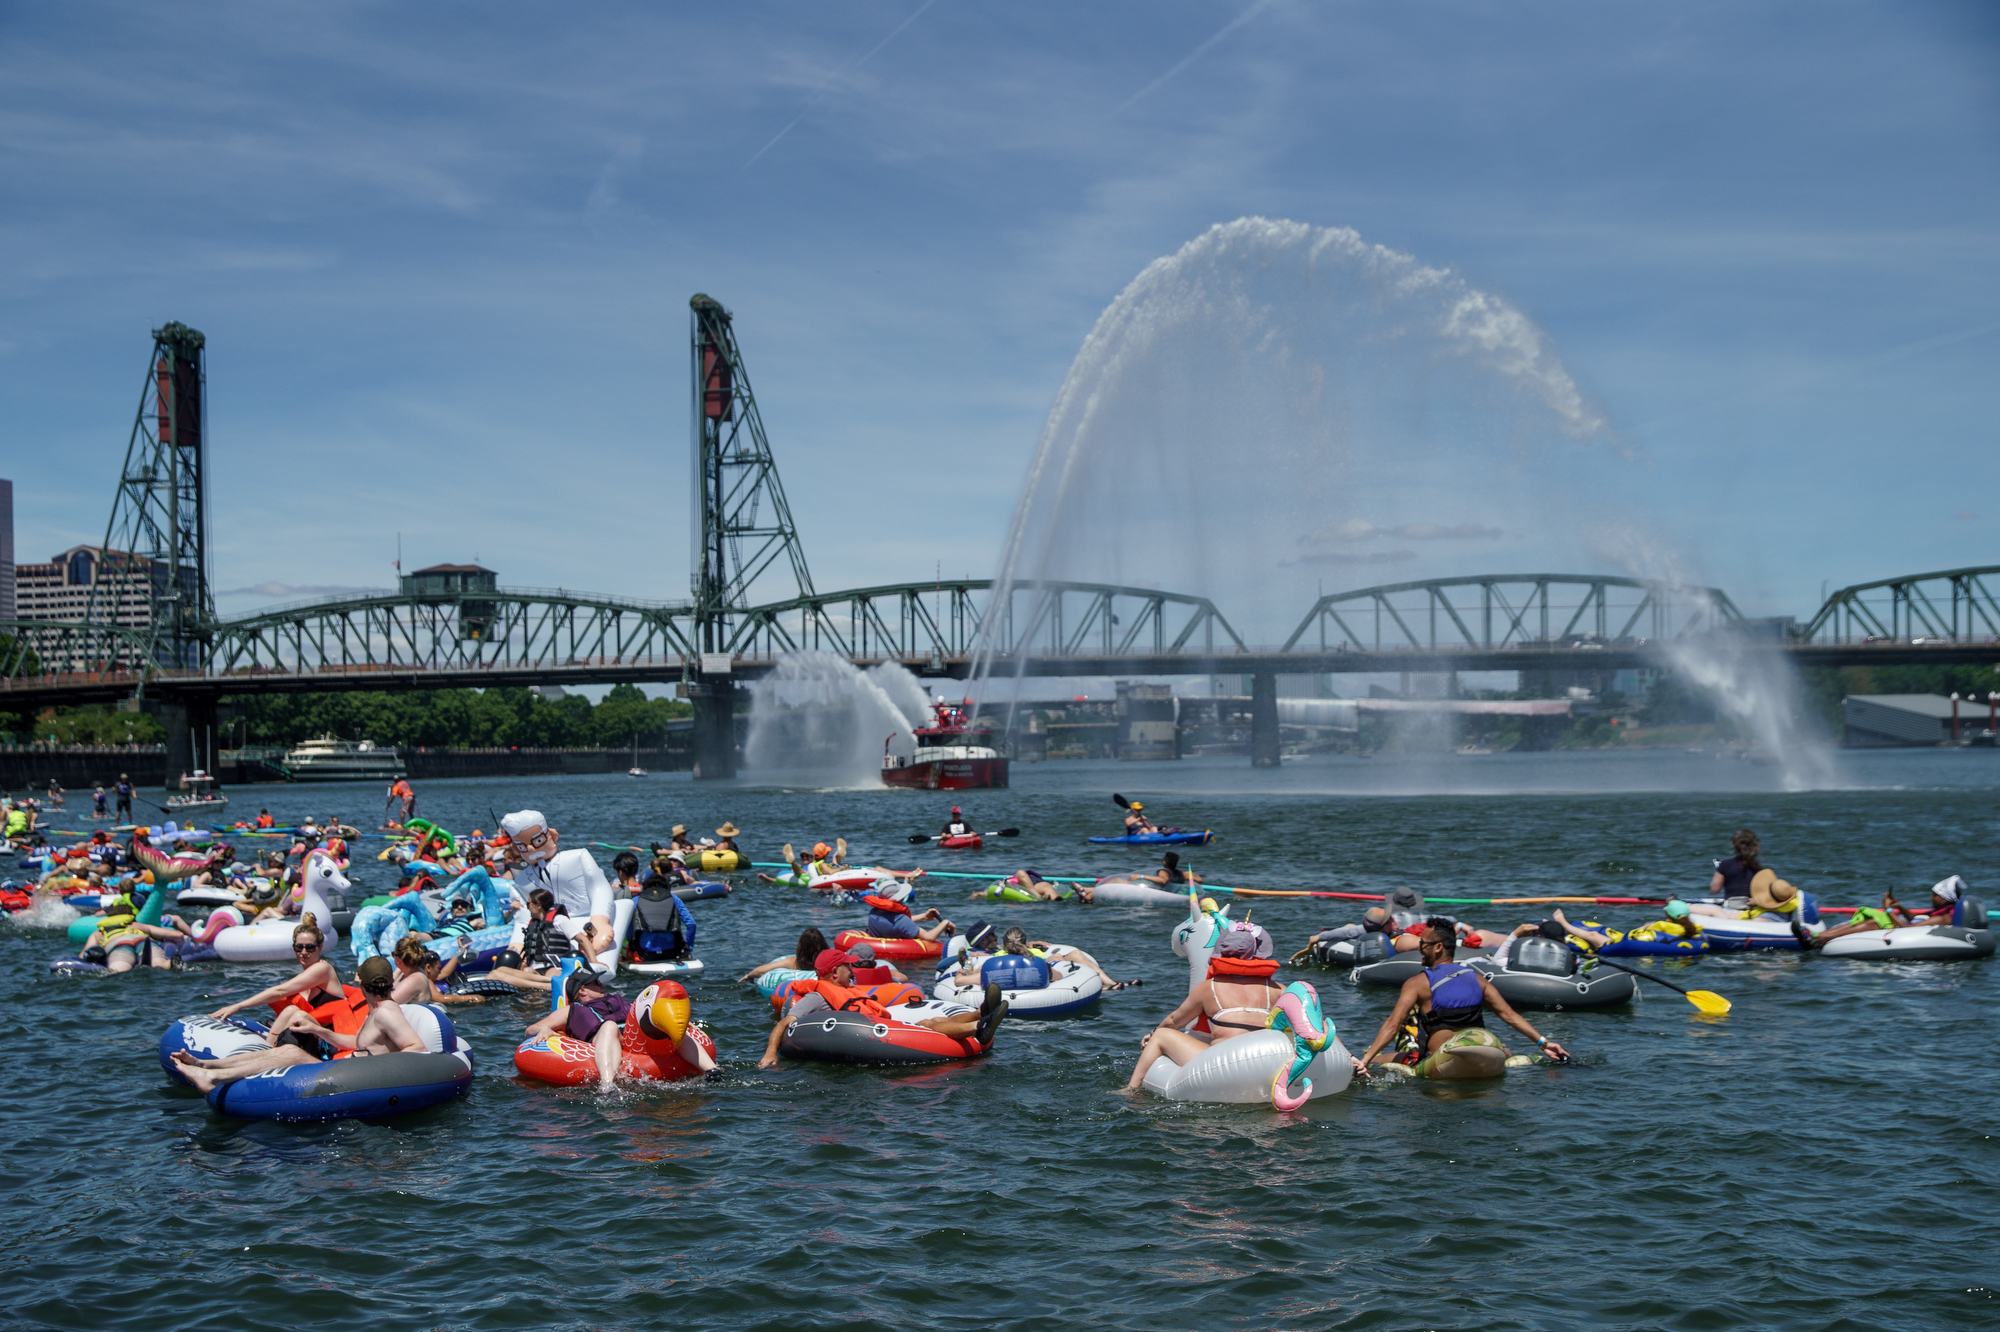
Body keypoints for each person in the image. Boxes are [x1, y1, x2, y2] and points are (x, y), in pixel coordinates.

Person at [173, 956, 427, 1093]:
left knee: (292, 1053)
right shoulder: (378, 1010)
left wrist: (378, 1066)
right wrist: (318, 1030)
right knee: (287, 1051)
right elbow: (359, 1042)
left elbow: (416, 1047)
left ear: (361, 984)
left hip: (364, 1080)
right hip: (353, 1070)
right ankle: (206, 1065)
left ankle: (214, 1076)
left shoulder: (386, 1013)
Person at [1353, 919, 1571, 1075]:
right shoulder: (1478, 979)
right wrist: (1545, 1043)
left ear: (1438, 947)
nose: (1420, 949)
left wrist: (1367, 1059)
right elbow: (1509, 1015)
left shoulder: (1418, 983)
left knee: (1379, 1062)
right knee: (1506, 1052)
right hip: (1487, 1051)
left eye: (1423, 944)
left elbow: (1393, 1024)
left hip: (1442, 1058)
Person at [758, 950, 1005, 1069]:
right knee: (928, 1025)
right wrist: (771, 1053)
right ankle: (978, 1026)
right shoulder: (815, 997)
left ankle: (980, 1013)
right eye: (847, 966)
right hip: (863, 1032)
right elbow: (784, 1023)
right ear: (834, 973)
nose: (852, 969)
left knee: (934, 1018)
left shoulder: (849, 989)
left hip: (876, 1024)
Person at [1124, 921, 1284, 1090]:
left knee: (1161, 1035)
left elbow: (1173, 1021)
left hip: (1222, 1064)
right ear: (1257, 955)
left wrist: (1153, 1033)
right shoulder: (1278, 990)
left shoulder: (1209, 988)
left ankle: (1131, 1090)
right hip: (1265, 1064)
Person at [525, 969, 716, 1091]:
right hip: (608, 1039)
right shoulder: (570, 1010)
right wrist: (546, 1030)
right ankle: (608, 1085)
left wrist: (674, 1023)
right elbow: (530, 1030)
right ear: (582, 990)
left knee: (666, 1030)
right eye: (597, 983)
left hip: (634, 1041)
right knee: (609, 1026)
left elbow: (644, 1015)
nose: (603, 985)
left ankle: (713, 1071)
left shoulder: (618, 999)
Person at [499, 809, 615, 975]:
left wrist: (599, 921)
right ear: (516, 849)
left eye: (538, 841)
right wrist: (517, 946)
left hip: (584, 920)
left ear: (552, 836)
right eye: (522, 846)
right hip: (543, 939)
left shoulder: (578, 858)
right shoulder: (520, 883)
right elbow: (523, 920)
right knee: (512, 959)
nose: (531, 849)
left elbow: (600, 888)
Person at [950, 925, 1133, 992]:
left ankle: (1110, 983)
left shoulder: (993, 961)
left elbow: (962, 981)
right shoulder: (1036, 959)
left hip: (1002, 979)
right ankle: (1109, 983)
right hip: (1040, 970)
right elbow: (1058, 977)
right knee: (1070, 955)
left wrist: (962, 972)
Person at [1808, 875, 1972, 947]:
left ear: (1944, 899)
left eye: (1935, 896)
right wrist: (1898, 906)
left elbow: (1906, 928)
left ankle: (1820, 937)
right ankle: (1822, 936)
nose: (1931, 898)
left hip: (1902, 932)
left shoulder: (1943, 919)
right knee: (1866, 921)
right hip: (1902, 927)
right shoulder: (1939, 913)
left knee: (1872, 923)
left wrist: (1888, 909)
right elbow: (1915, 917)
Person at [1522, 902, 1704, 957]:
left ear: (1668, 916)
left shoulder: (1660, 925)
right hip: (1633, 942)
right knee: (1596, 933)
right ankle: (1564, 927)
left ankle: (1564, 924)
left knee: (1592, 935)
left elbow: (1642, 933)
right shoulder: (1692, 929)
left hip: (1618, 946)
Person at [391, 936, 484, 1006]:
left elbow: (388, 1004)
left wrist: (470, 997)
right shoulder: (415, 974)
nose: (439, 972)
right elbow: (445, 972)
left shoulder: (416, 979)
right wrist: (460, 951)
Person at [737, 928, 831, 991]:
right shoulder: (829, 959)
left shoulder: (794, 962)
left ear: (800, 946)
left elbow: (761, 970)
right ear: (823, 944)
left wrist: (749, 976)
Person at [862, 882, 954, 942]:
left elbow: (894, 922)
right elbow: (929, 937)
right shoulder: (901, 920)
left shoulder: (874, 912)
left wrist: (924, 916)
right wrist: (945, 923)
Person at [1706, 829, 1763, 909]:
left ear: (1733, 844)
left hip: (1732, 907)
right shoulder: (1759, 869)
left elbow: (1714, 890)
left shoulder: (1725, 865)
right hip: (1751, 907)